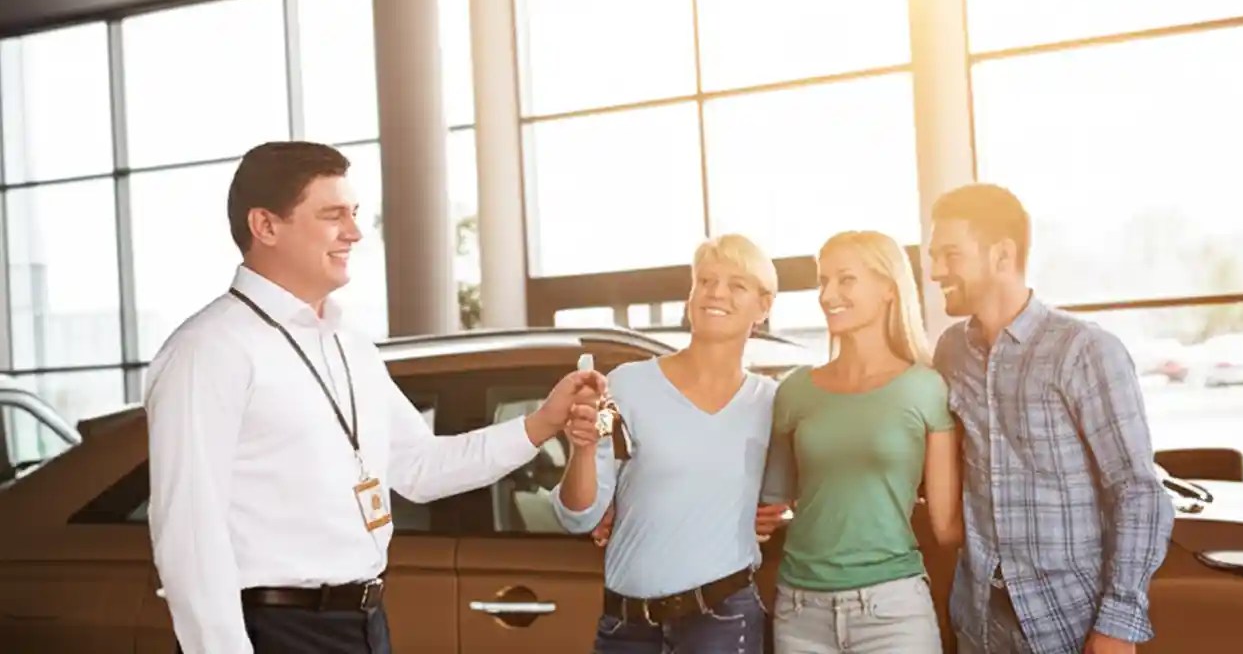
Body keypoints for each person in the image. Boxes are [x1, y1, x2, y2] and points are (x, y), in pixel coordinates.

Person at [146, 142, 604, 654]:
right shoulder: (209, 349)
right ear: (266, 226)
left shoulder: (349, 345)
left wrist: (543, 422)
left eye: (355, 213)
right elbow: (189, 535)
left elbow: (423, 468)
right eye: (332, 215)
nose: (355, 232)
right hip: (276, 632)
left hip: (364, 625)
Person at [927, 183, 1175, 654]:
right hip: (979, 621)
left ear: (1002, 254)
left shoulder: (1084, 350)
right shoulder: (951, 352)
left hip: (1068, 622)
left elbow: (1138, 490)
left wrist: (1119, 624)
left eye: (951, 254)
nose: (936, 270)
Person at [552, 234, 780, 654]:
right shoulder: (624, 385)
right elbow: (580, 517)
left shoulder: (772, 402)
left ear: (763, 308)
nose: (716, 293)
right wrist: (582, 450)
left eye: (737, 285)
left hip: (723, 623)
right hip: (626, 628)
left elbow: (798, 492)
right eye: (706, 280)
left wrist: (774, 513)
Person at [757, 230, 962, 653]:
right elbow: (771, 505)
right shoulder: (795, 390)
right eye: (823, 281)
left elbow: (945, 526)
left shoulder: (926, 389)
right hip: (800, 612)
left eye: (845, 279)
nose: (828, 293)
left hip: (893, 612)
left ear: (889, 288)